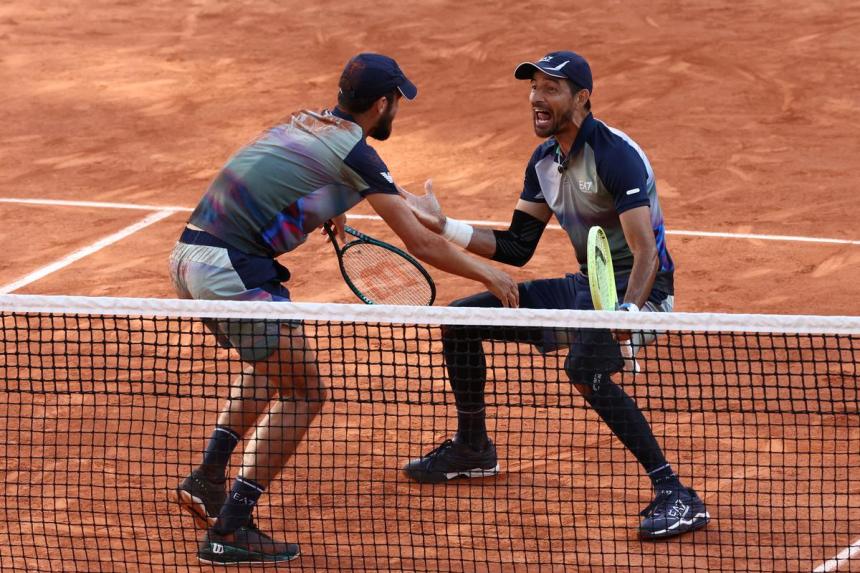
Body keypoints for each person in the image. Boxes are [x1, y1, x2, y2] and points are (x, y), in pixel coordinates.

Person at [168, 53, 519, 565]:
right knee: (305, 392)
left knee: (273, 367)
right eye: (397, 101)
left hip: (189, 258)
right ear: (382, 104)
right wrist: (488, 272)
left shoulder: (307, 119)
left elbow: (293, 173)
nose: (397, 109)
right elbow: (418, 241)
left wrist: (330, 205)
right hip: (232, 271)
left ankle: (207, 478)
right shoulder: (358, 153)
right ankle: (232, 527)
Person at [399, 50, 710, 540]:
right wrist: (446, 226)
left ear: (581, 98)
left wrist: (625, 315)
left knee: (583, 368)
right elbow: (518, 245)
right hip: (586, 289)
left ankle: (676, 493)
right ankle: (473, 447)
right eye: (533, 87)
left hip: (643, 298)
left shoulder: (615, 156)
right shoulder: (546, 161)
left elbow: (645, 254)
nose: (536, 99)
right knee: (462, 321)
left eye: (550, 89)